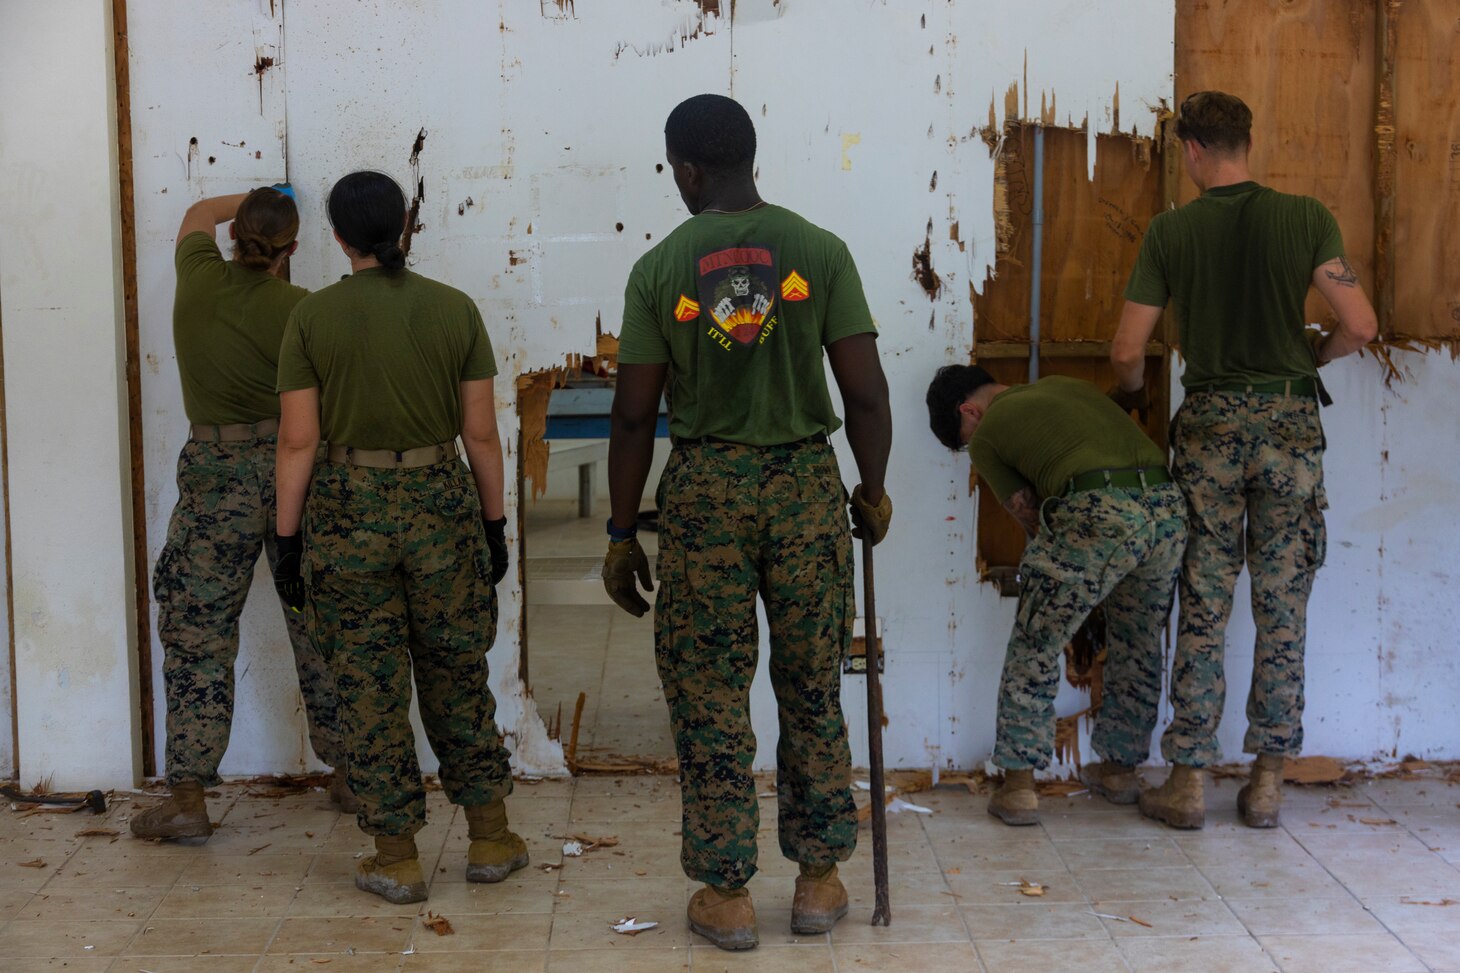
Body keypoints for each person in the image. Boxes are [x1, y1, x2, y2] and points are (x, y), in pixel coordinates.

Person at [603, 93, 893, 951]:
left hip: (707, 494)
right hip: (806, 485)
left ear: (689, 170)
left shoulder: (660, 267)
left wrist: (621, 532)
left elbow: (633, 415)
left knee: (709, 690)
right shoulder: (820, 250)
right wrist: (872, 490)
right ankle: (819, 879)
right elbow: (866, 392)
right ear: (750, 156)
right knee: (811, 682)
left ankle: (727, 892)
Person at [1112, 91, 1378, 830]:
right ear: (1247, 143)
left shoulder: (1171, 232)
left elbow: (1128, 350)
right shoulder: (1306, 218)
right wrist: (1313, 356)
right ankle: (1266, 783)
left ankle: (1187, 783)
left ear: (1193, 150)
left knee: (1204, 598)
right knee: (1282, 602)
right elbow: (1361, 324)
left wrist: (1131, 395)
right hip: (1291, 425)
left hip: (1210, 428)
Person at [271, 170, 522, 904]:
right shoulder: (454, 309)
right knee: (456, 670)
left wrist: (287, 542)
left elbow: (298, 442)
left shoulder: (312, 318)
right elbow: (481, 435)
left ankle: (396, 856)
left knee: (368, 685)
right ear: (405, 226)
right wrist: (494, 524)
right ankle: (491, 838)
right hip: (441, 503)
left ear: (337, 236)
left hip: (348, 511)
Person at [132, 187, 352, 843]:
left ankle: (188, 798)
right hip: (294, 469)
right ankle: (355, 773)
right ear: (292, 248)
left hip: (215, 473)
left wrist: (260, 190)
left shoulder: (197, 278)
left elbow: (198, 211)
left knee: (197, 630)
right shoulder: (303, 310)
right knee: (322, 620)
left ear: (234, 238)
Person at [926, 366, 1187, 826]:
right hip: (1168, 509)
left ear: (969, 411)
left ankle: (1019, 788)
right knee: (1138, 642)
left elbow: (1028, 514)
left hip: (1099, 508)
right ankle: (1120, 773)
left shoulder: (988, 434)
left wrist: (1065, 575)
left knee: (1036, 641)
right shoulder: (1070, 384)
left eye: (965, 440)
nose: (972, 446)